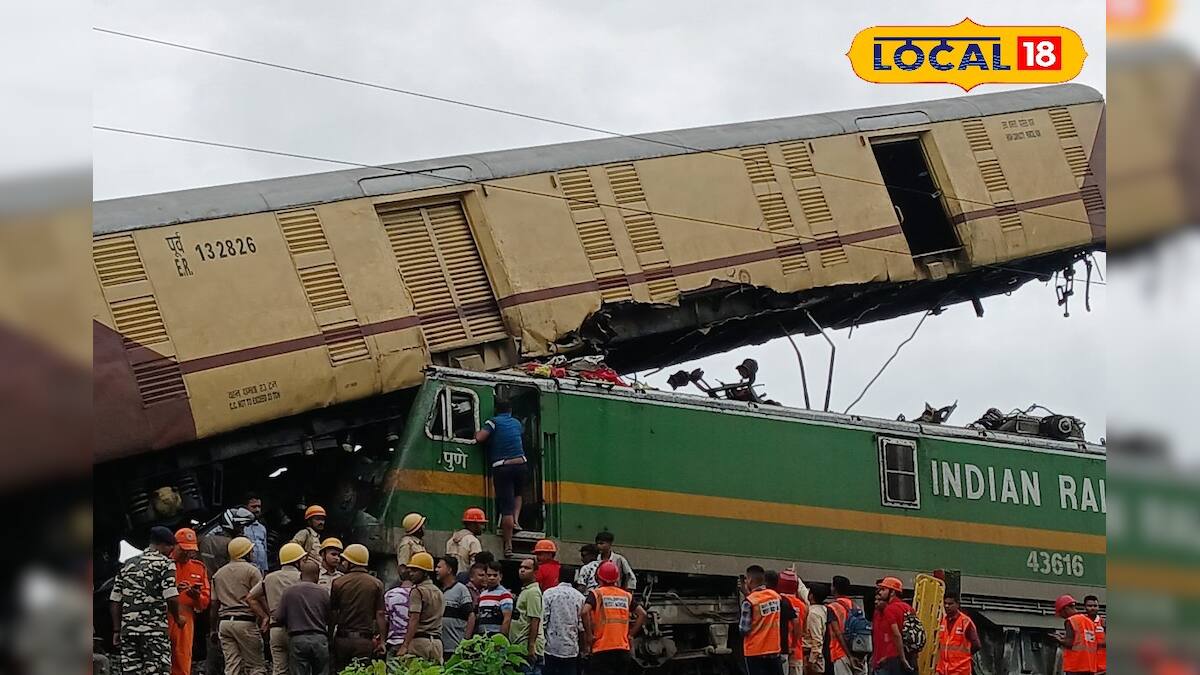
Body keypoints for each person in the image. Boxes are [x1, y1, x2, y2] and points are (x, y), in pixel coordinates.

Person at [110, 526, 184, 675]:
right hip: (154, 632)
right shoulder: (165, 564)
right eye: (171, 547)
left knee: (131, 672)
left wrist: (117, 629)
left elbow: (115, 600)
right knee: (157, 670)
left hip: (128, 631)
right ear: (163, 544)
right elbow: (171, 596)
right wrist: (178, 618)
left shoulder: (127, 564)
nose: (171, 551)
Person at [475, 398, 527, 556]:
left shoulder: (493, 422)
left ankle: (508, 545)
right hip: (521, 464)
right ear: (510, 410)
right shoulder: (517, 423)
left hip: (503, 466)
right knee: (518, 494)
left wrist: (476, 432)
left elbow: (480, 438)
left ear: (496, 410)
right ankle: (516, 522)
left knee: (506, 507)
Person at [246, 543, 305, 675]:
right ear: (297, 561)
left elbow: (250, 597)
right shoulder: (301, 577)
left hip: (276, 629)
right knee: (299, 669)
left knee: (279, 670)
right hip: (297, 629)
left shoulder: (269, 578)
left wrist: (265, 616)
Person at [211, 536, 266, 675]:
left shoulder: (218, 574)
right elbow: (260, 596)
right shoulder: (252, 571)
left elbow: (214, 603)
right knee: (256, 667)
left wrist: (213, 628)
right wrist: (266, 616)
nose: (253, 553)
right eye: (250, 551)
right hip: (245, 622)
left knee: (232, 666)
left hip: (224, 624)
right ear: (245, 553)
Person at [580, 561, 647, 675]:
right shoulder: (626, 595)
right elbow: (642, 614)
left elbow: (584, 612)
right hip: (623, 649)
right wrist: (630, 634)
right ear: (616, 578)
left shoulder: (596, 594)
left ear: (598, 577)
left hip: (602, 649)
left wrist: (589, 635)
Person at [329, 543, 386, 671]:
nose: (342, 563)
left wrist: (330, 637)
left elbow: (333, 613)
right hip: (365, 642)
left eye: (345, 560)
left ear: (351, 562)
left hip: (342, 641)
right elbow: (380, 614)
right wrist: (382, 641)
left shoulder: (338, 583)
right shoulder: (376, 584)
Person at [275, 560, 331, 675]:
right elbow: (330, 617)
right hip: (319, 638)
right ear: (317, 575)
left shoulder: (288, 592)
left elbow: (279, 617)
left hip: (297, 638)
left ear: (300, 574)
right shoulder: (323, 592)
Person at [169, 528, 210, 675]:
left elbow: (204, 602)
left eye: (191, 550)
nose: (187, 553)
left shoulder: (199, 568)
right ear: (174, 546)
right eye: (184, 549)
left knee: (182, 657)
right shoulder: (162, 564)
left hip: (185, 618)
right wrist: (174, 591)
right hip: (162, 615)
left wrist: (196, 596)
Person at [395, 552, 445, 662]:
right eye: (410, 570)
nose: (411, 574)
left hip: (419, 642)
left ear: (425, 572)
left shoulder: (417, 591)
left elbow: (414, 619)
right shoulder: (439, 592)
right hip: (437, 644)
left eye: (415, 571)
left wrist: (405, 645)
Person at [741, 566, 791, 675]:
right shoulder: (775, 597)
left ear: (750, 580)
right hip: (773, 650)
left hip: (755, 652)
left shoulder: (749, 601)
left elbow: (744, 629)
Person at [542, 565, 585, 675]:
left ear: (558, 577)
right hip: (571, 650)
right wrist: (583, 649)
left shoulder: (549, 594)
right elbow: (581, 627)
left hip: (550, 647)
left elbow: (543, 622)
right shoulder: (580, 597)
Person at [872, 577, 916, 675]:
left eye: (883, 589)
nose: (880, 592)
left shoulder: (889, 609)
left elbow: (896, 635)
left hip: (891, 660)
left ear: (892, 592)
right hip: (909, 656)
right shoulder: (908, 607)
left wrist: (902, 658)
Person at [511, 558, 546, 674]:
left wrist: (531, 646)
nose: (522, 570)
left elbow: (535, 619)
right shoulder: (526, 590)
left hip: (527, 648)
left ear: (535, 572)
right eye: (521, 567)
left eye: (527, 568)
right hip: (520, 645)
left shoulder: (533, 592)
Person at [438, 557, 476, 661]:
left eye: (439, 567)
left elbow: (471, 615)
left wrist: (465, 641)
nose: (436, 570)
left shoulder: (461, 589)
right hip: (440, 647)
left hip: (455, 646)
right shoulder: (438, 591)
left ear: (449, 570)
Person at [200, 508, 254, 579]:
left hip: (204, 578)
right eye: (241, 527)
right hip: (223, 579)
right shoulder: (231, 544)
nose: (243, 531)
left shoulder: (206, 539)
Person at [827, 576, 864, 675]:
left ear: (834, 588)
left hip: (840, 652)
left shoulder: (832, 607)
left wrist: (849, 655)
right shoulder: (855, 606)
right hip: (858, 650)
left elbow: (838, 633)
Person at [1055, 594, 1098, 675]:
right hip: (1090, 666)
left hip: (1075, 666)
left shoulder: (1070, 620)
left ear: (1066, 608)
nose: (1062, 616)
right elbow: (1081, 641)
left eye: (1061, 613)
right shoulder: (1089, 621)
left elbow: (1069, 643)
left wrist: (1058, 639)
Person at [776, 570, 809, 675]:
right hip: (797, 652)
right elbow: (804, 631)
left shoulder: (777, 601)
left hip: (780, 650)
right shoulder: (803, 606)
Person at [936, 594, 980, 675]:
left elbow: (976, 645)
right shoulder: (943, 621)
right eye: (945, 603)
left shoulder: (965, 622)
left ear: (957, 604)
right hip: (944, 670)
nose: (947, 606)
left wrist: (964, 657)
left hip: (960, 670)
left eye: (950, 604)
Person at [476, 561, 514, 637]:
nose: (492, 578)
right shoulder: (482, 594)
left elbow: (507, 619)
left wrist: (502, 638)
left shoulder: (504, 594)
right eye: (489, 575)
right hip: (481, 636)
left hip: (496, 636)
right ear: (485, 576)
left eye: (495, 575)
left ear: (500, 576)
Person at [383, 568, 413, 658]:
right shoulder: (419, 593)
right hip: (413, 642)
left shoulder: (390, 594)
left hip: (393, 641)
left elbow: (385, 619)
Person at [446, 508, 486, 572]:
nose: (483, 527)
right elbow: (476, 567)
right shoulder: (473, 541)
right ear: (473, 524)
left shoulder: (451, 540)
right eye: (481, 524)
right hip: (466, 576)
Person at [242, 493, 270, 575]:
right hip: (246, 570)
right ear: (246, 508)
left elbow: (264, 549)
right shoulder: (240, 527)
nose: (257, 510)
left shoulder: (262, 528)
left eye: (259, 507)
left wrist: (265, 569)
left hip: (260, 570)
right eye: (253, 507)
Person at [804, 585, 828, 675]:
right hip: (816, 654)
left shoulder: (813, 613)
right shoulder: (823, 609)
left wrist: (812, 661)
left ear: (811, 596)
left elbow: (817, 639)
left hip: (811, 655)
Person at [1083, 595, 1105, 675]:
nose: (1093, 608)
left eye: (1095, 606)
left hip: (1102, 668)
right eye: (1090, 606)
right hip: (1085, 667)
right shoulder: (1081, 622)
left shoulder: (1103, 623)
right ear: (1085, 607)